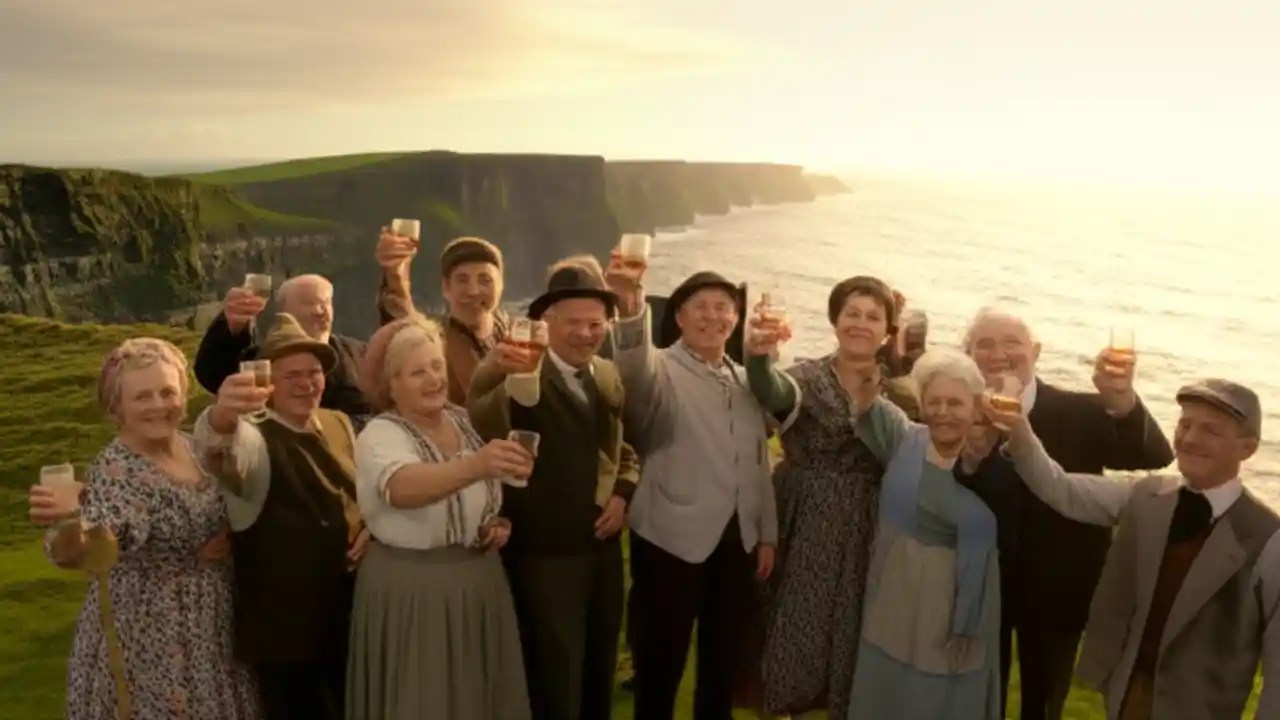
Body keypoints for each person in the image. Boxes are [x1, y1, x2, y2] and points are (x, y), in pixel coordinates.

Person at [993, 378, 1278, 720]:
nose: (1188, 439)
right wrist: (1018, 429)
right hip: (1127, 692)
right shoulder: (1147, 496)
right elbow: (1060, 489)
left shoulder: (1268, 538)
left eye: (1210, 431)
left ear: (1247, 448)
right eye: (1184, 424)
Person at [956, 307, 1174, 719]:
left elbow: (1155, 456)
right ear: (968, 353)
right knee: (978, 698)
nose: (998, 354)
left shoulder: (1081, 410)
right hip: (979, 585)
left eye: (1012, 344)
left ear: (1035, 351)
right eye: (984, 344)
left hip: (1060, 588)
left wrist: (1123, 402)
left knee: (1043, 704)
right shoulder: (953, 412)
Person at [43, 337, 258, 719]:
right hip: (150, 636)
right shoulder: (117, 470)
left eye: (168, 392)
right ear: (117, 407)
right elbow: (103, 542)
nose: (159, 405)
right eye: (143, 397)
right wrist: (74, 522)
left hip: (210, 625)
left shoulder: (194, 447)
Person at [605, 257, 777, 720]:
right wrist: (629, 304)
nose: (713, 316)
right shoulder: (659, 369)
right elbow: (631, 368)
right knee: (659, 669)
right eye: (700, 306)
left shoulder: (745, 380)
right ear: (678, 317)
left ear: (736, 319)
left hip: (735, 544)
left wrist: (764, 533)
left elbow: (758, 462)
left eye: (724, 307)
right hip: (669, 539)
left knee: (721, 670)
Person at [467, 262, 639, 720]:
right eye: (574, 323)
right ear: (547, 323)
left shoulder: (605, 374)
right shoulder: (523, 373)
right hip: (543, 556)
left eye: (596, 324)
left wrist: (622, 494)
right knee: (552, 681)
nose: (586, 333)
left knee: (598, 670)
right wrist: (504, 374)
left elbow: (624, 448)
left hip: (601, 553)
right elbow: (482, 421)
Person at [346, 314, 532, 719]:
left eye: (436, 366)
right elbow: (403, 488)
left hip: (479, 583)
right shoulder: (381, 433)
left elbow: (477, 497)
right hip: (414, 590)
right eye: (417, 372)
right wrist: (478, 466)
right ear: (392, 386)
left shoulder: (466, 422)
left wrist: (493, 522)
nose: (433, 379)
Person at [743, 275, 913, 718]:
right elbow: (770, 389)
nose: (860, 323)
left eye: (873, 316)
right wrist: (759, 357)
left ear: (887, 332)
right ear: (835, 320)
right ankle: (783, 705)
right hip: (804, 519)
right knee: (796, 621)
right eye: (851, 313)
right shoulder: (806, 377)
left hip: (867, 526)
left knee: (854, 628)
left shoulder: (898, 393)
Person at [193, 313, 369, 720]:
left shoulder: (338, 422)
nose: (307, 383)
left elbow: (366, 495)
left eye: (314, 373)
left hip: (349, 615)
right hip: (288, 635)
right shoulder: (253, 436)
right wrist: (222, 416)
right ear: (267, 384)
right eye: (292, 375)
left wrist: (371, 528)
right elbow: (220, 453)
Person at [844, 349, 1002, 719]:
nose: (943, 412)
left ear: (976, 407)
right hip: (895, 596)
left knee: (939, 698)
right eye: (934, 401)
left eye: (955, 403)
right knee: (884, 691)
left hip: (956, 606)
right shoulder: (906, 440)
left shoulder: (991, 464)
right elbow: (866, 401)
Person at [194, 274, 371, 427]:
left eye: (326, 303)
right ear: (284, 309)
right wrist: (232, 327)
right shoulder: (264, 358)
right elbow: (213, 375)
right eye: (309, 303)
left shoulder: (359, 352)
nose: (320, 311)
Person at [376, 230, 510, 403]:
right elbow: (401, 317)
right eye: (462, 280)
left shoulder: (516, 335)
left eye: (485, 280)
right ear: (446, 287)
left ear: (501, 285)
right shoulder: (434, 337)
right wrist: (394, 272)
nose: (473, 291)